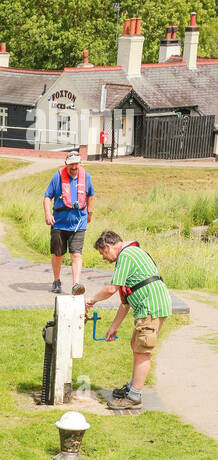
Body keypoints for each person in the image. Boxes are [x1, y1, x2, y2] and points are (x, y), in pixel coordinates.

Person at [85, 230, 173, 412]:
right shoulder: (130, 254)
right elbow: (125, 302)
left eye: (103, 253)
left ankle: (134, 397)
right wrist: (114, 327)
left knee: (142, 350)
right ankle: (134, 385)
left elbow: (110, 289)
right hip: (149, 305)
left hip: (151, 307)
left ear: (108, 246)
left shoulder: (125, 255)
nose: (104, 258)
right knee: (136, 344)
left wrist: (91, 300)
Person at [43, 150, 95, 295]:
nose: (74, 167)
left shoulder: (86, 176)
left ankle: (76, 285)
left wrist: (90, 213)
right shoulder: (57, 177)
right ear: (66, 164)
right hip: (59, 222)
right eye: (71, 164)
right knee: (58, 254)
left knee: (76, 254)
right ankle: (56, 280)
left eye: (76, 164)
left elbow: (90, 195)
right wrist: (48, 214)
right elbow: (47, 197)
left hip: (79, 222)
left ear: (80, 163)